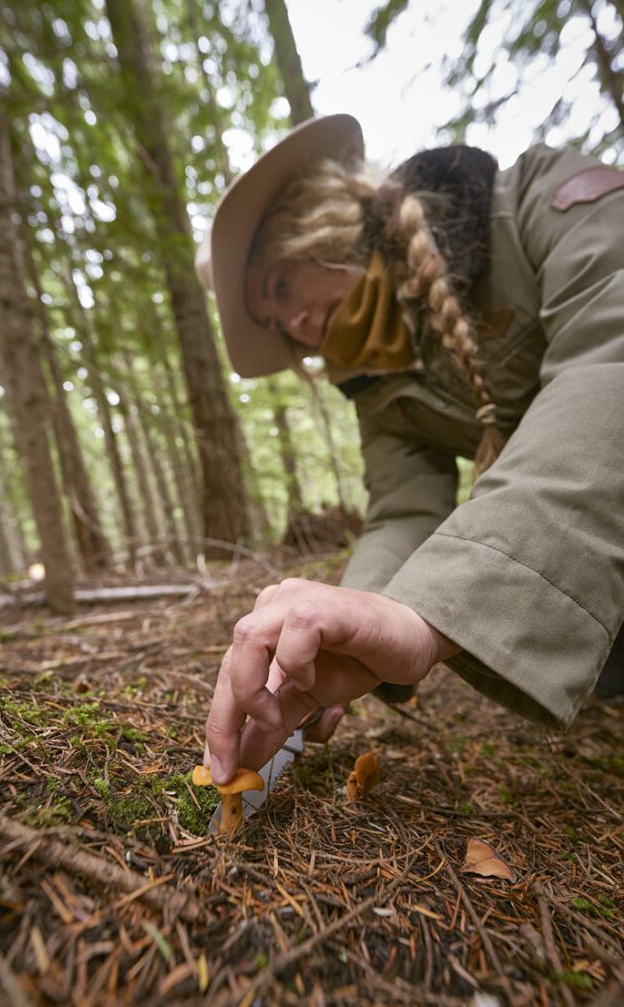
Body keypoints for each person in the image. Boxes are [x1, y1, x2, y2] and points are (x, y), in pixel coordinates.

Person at [194, 114, 624, 786]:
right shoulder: (379, 389)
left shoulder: (539, 202)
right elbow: (403, 512)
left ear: (317, 224)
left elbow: (608, 369)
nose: (295, 326)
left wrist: (428, 611)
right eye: (274, 323)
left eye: (280, 288)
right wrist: (344, 630)